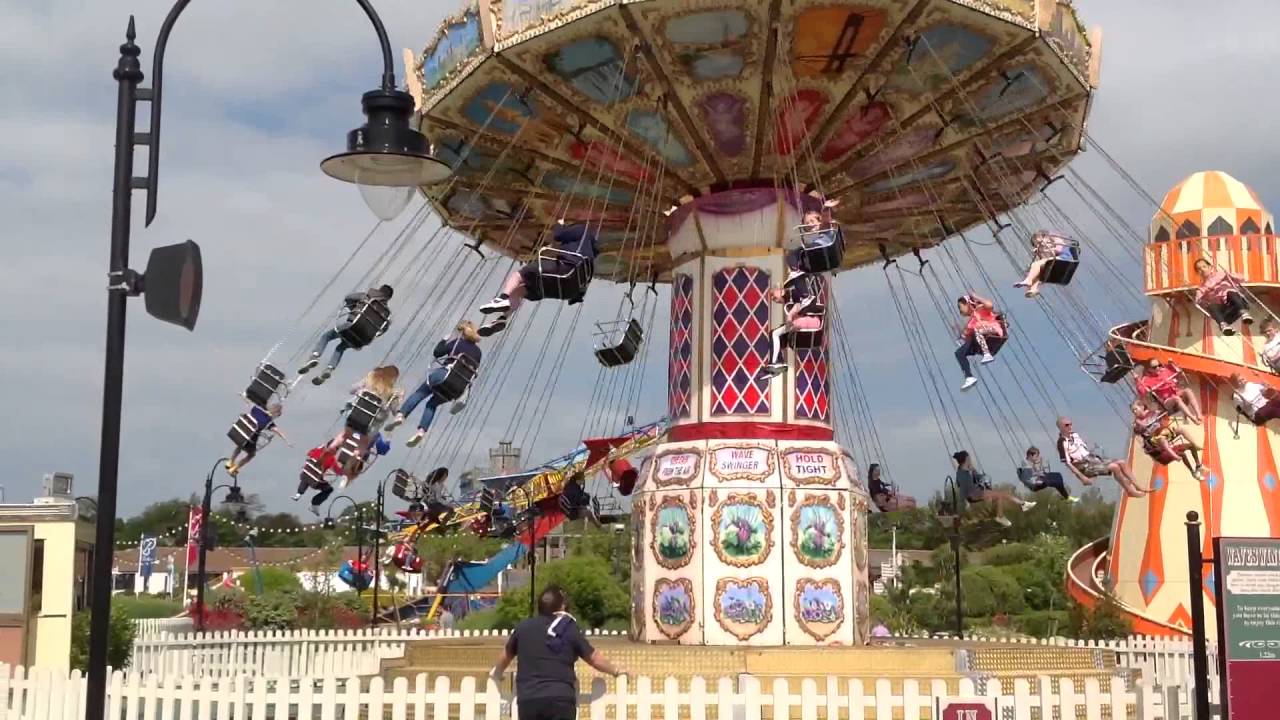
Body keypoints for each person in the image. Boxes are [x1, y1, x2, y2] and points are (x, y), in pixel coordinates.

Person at [490, 585, 624, 720]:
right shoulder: (568, 628)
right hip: (560, 699)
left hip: (529, 700)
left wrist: (497, 673)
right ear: (563, 607)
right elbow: (593, 658)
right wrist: (616, 671)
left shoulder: (523, 627)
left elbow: (506, 655)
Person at [478, 223, 600, 337]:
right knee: (521, 290)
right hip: (568, 291)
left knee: (519, 275)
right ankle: (502, 318)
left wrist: (559, 224)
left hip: (565, 270)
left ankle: (501, 298)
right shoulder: (590, 255)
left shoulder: (582, 229)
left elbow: (559, 235)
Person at [387, 321, 483, 446]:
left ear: (462, 332)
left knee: (420, 393)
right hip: (458, 387)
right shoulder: (478, 352)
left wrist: (444, 340)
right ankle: (421, 431)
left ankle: (401, 415)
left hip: (445, 374)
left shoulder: (457, 342)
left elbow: (437, 353)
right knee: (432, 404)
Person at [300, 284, 394, 384]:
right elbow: (383, 328)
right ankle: (329, 369)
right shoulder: (385, 312)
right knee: (341, 347)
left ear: (379, 290)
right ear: (388, 298)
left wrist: (355, 309)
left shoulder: (366, 296)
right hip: (363, 338)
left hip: (351, 326)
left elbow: (348, 298)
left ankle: (315, 356)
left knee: (326, 336)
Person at [1056, 417, 1148, 497]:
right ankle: (1130, 490)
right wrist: (1082, 477)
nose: (1070, 426)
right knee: (1114, 467)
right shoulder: (1062, 442)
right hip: (1084, 466)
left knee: (1122, 462)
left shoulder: (1075, 435)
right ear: (1060, 427)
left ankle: (1136, 485)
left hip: (1091, 459)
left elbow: (1083, 448)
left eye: (1071, 424)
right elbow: (1068, 463)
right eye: (1067, 425)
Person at [758, 270, 825, 379]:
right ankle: (776, 364)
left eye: (775, 295)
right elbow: (798, 305)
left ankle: (775, 363)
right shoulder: (789, 300)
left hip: (809, 321)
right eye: (774, 298)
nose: (775, 299)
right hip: (807, 322)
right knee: (776, 335)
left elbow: (799, 305)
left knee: (775, 334)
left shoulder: (791, 297)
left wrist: (790, 315)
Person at [327, 365, 402, 454]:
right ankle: (355, 457)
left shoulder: (369, 380)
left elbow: (352, 390)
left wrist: (362, 390)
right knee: (364, 443)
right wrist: (399, 399)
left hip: (353, 416)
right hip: (369, 425)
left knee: (345, 435)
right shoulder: (392, 392)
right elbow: (395, 411)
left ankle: (331, 447)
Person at [952, 451, 1035, 527]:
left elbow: (977, 477)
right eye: (969, 458)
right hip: (973, 494)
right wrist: (963, 504)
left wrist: (982, 478)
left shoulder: (970, 470)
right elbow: (963, 489)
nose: (971, 460)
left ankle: (1018, 506)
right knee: (999, 494)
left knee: (1000, 495)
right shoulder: (962, 473)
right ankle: (1017, 507)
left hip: (978, 492)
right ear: (966, 459)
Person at [1131, 399, 1204, 478]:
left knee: (1182, 431)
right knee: (1166, 443)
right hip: (1155, 441)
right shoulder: (1137, 422)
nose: (1134, 412)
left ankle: (1198, 463)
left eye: (1135, 409)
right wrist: (1140, 425)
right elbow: (1138, 430)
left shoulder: (1152, 413)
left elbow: (1163, 413)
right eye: (1133, 411)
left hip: (1164, 433)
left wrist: (1163, 412)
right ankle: (1181, 462)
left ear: (1142, 407)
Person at [954, 293, 1005, 391]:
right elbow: (968, 337)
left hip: (993, 331)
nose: (960, 310)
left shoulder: (980, 310)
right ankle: (969, 377)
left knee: (977, 330)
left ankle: (987, 354)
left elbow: (989, 305)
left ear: (967, 304)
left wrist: (975, 296)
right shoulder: (971, 322)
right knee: (959, 353)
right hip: (980, 337)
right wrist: (960, 333)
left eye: (960, 307)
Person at [226, 403, 290, 477]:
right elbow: (278, 431)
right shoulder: (269, 422)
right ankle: (234, 469)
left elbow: (249, 403)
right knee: (251, 454)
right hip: (250, 439)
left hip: (241, 432)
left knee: (240, 443)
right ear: (276, 413)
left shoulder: (257, 409)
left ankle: (230, 461)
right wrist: (287, 441)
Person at [1193, 258, 1252, 335]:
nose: (1202, 270)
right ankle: (1223, 325)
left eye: (1204, 267)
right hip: (1224, 313)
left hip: (1235, 304)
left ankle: (1244, 312)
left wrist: (1230, 275)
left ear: (1210, 267)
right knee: (1211, 306)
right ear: (1198, 272)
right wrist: (1203, 294)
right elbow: (1198, 301)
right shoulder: (1201, 288)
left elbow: (1242, 278)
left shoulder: (1221, 274)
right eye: (1199, 269)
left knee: (1230, 292)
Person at [1135, 359, 1202, 424]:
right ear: (1149, 369)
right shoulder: (1147, 379)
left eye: (1159, 365)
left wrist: (1172, 363)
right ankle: (1192, 418)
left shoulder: (1165, 370)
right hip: (1166, 401)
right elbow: (1142, 391)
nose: (1158, 368)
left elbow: (1176, 369)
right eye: (1154, 367)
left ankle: (1198, 414)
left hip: (1176, 393)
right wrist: (1137, 380)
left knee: (1188, 391)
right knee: (1176, 399)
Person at [1014, 231, 1075, 298]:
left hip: (1064, 258)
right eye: (1037, 245)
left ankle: (1028, 280)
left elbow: (1058, 249)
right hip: (1057, 262)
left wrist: (1046, 250)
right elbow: (1047, 258)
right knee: (1039, 271)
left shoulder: (1055, 239)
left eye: (1039, 243)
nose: (1041, 245)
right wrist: (1039, 253)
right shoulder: (1048, 247)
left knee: (1036, 264)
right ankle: (1033, 289)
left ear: (1044, 237)